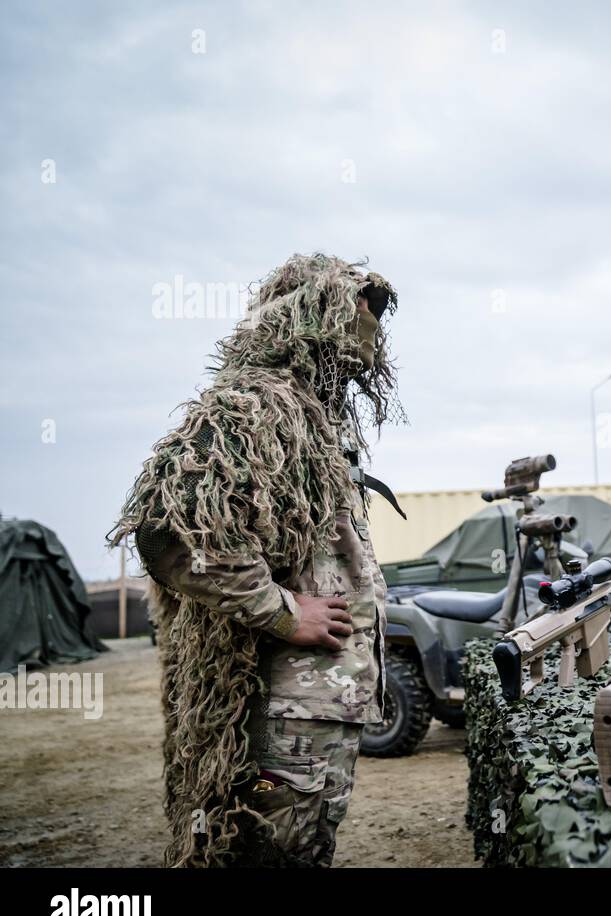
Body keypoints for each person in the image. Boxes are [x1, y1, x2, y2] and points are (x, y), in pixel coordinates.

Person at [109, 254, 402, 866]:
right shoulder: (256, 406)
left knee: (304, 852)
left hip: (324, 705)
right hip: (281, 709)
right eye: (354, 319)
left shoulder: (312, 420)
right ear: (305, 319)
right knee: (266, 855)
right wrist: (282, 612)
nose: (365, 344)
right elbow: (170, 530)